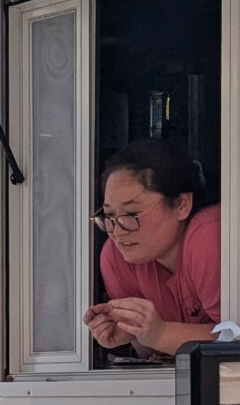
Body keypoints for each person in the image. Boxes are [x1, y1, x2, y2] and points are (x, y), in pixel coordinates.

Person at [83, 139, 221, 359]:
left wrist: (162, 334)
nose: (117, 231)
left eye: (131, 214)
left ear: (182, 204)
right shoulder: (115, 257)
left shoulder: (209, 237)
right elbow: (153, 356)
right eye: (109, 216)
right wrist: (130, 333)